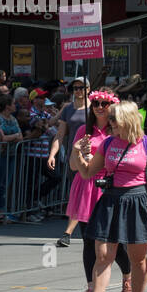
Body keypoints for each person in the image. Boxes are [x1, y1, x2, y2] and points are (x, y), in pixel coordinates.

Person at [75, 102, 147, 292]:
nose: (112, 125)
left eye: (115, 121)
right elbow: (88, 172)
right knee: (103, 255)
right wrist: (79, 154)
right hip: (110, 201)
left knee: (138, 259)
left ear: (128, 120)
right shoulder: (108, 143)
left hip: (137, 202)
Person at [66, 90, 133, 292]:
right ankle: (90, 288)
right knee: (88, 241)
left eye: (104, 103)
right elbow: (72, 166)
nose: (99, 106)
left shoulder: (117, 130)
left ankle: (127, 278)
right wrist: (80, 153)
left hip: (108, 187)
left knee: (115, 242)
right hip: (86, 186)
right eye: (95, 102)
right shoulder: (83, 132)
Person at [51, 78, 89, 246]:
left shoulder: (95, 106)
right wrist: (53, 154)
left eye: (81, 87)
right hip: (74, 158)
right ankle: (80, 231)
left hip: (92, 157)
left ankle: (68, 233)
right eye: (75, 88)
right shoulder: (68, 109)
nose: (78, 91)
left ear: (88, 89)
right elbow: (60, 134)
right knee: (77, 195)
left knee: (84, 195)